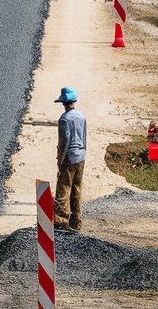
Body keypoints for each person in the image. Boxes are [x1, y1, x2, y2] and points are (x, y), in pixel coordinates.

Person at [54, 86, 87, 232]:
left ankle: (61, 221)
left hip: (69, 157)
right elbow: (84, 136)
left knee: (64, 188)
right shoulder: (81, 116)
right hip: (81, 157)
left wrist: (60, 161)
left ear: (63, 103)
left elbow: (64, 141)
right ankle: (76, 221)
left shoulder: (64, 119)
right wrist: (83, 151)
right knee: (77, 188)